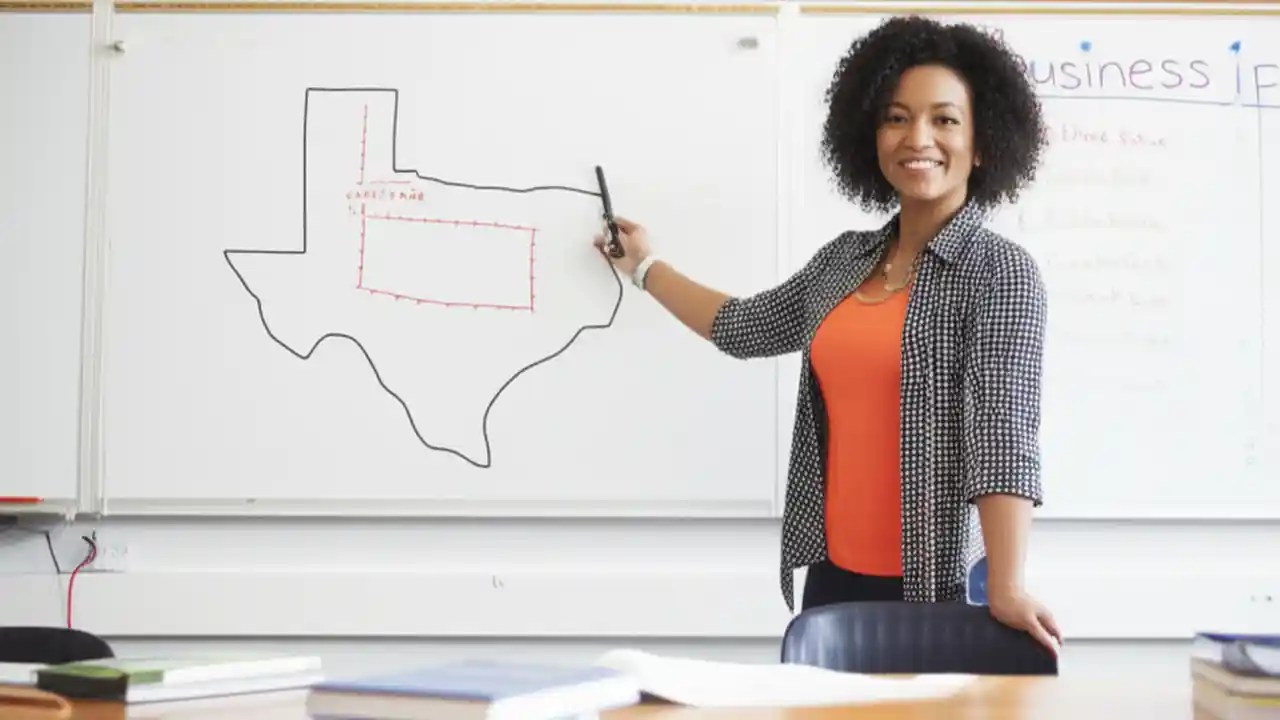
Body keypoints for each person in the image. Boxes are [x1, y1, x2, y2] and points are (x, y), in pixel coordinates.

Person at [593, 15, 1062, 655]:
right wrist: (644, 267)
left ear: (983, 143)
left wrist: (1007, 585)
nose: (917, 136)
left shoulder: (999, 272)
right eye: (896, 117)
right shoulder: (845, 260)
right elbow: (743, 327)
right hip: (833, 580)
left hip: (940, 585)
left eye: (944, 119)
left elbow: (1003, 435)